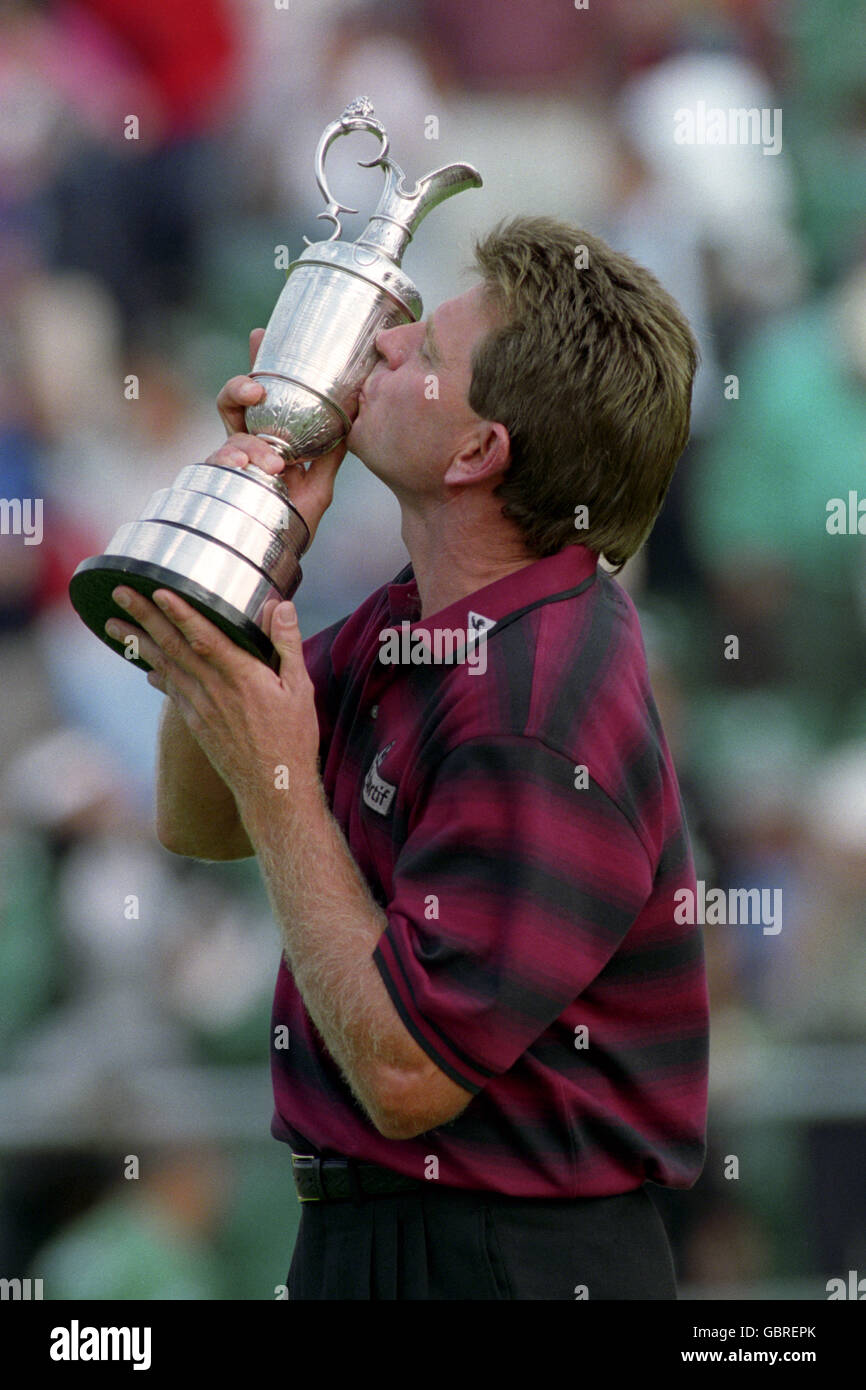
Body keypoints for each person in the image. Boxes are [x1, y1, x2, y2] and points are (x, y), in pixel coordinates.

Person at [104, 216, 709, 1300]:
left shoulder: (537, 701)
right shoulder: (427, 615)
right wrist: (257, 542)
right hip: (393, 1245)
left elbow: (404, 1075)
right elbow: (199, 818)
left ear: (478, 454)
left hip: (505, 1263)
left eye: (424, 350)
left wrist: (281, 780)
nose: (383, 341)